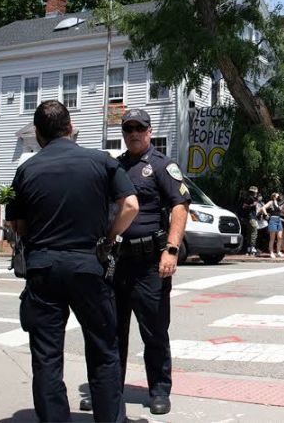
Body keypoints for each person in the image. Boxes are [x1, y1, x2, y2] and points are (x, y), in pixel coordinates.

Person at [6, 100, 139, 423]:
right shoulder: (100, 162)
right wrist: (108, 239)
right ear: (70, 127)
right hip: (88, 266)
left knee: (47, 357)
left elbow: (17, 226)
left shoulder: (26, 170)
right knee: (103, 350)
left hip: (43, 269)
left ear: (38, 134)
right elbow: (131, 206)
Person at [96, 108, 190, 416]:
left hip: (151, 263)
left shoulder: (162, 166)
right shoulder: (117, 167)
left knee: (154, 331)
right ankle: (111, 391)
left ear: (149, 131)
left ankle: (159, 390)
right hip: (118, 262)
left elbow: (180, 204)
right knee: (113, 330)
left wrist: (172, 250)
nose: (134, 133)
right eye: (128, 128)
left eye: (139, 127)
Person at [263, 193, 284, 258]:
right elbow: (263, 208)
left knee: (280, 237)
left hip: (278, 220)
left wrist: (282, 220)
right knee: (272, 238)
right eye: (278, 195)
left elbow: (278, 213)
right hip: (272, 220)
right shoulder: (271, 202)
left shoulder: (278, 203)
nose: (279, 196)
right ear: (274, 197)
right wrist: (266, 214)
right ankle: (271, 252)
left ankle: (278, 251)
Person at [240, 186, 260, 255]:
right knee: (254, 231)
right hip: (251, 217)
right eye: (256, 192)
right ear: (254, 192)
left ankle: (249, 248)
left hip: (248, 218)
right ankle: (252, 248)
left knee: (249, 232)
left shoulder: (249, 198)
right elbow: (244, 206)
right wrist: (253, 205)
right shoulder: (250, 198)